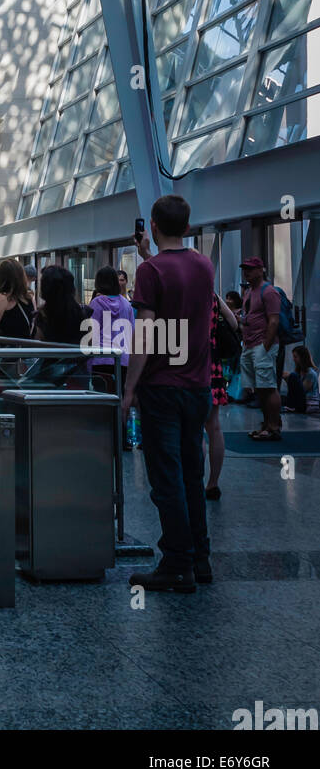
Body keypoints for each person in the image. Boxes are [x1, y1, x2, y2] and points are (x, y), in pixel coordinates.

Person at [124, 195, 215, 593]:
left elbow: (145, 331)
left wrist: (129, 388)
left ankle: (176, 562)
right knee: (192, 472)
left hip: (162, 387)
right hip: (197, 387)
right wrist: (149, 256)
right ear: (189, 228)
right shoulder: (204, 265)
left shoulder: (150, 272)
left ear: (154, 227)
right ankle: (200, 557)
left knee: (166, 478)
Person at [237, 257, 282, 441]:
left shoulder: (268, 291)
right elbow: (249, 316)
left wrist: (265, 346)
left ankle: (274, 426)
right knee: (259, 388)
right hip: (250, 344)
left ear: (261, 270)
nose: (246, 272)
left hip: (262, 345)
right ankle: (266, 423)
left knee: (268, 386)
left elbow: (274, 321)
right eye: (245, 269)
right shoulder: (249, 292)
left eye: (250, 269)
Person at [205, 294, 239, 500]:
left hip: (187, 361)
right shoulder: (212, 295)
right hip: (212, 360)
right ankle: (213, 483)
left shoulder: (181, 290)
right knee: (214, 426)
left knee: (193, 428)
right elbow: (233, 324)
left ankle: (193, 481)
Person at [87, 265, 135, 393]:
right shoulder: (126, 304)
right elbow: (132, 333)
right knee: (120, 397)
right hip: (122, 360)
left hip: (100, 360)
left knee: (103, 400)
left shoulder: (97, 303)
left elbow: (92, 334)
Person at [33, 265, 90, 346]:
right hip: (78, 358)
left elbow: (38, 346)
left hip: (50, 358)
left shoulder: (42, 317)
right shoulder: (85, 312)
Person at [0, 259, 35, 339]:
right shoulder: (29, 296)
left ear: (1, 277)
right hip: (27, 346)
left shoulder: (4, 297)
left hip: (10, 348)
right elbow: (33, 324)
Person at [282, 346, 319, 414]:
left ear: (302, 358)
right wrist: (287, 379)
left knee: (293, 375)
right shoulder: (299, 371)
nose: (293, 359)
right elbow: (296, 391)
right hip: (302, 402)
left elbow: (302, 390)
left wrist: (289, 378)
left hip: (309, 404)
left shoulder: (311, 373)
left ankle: (291, 406)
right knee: (281, 398)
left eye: (295, 357)